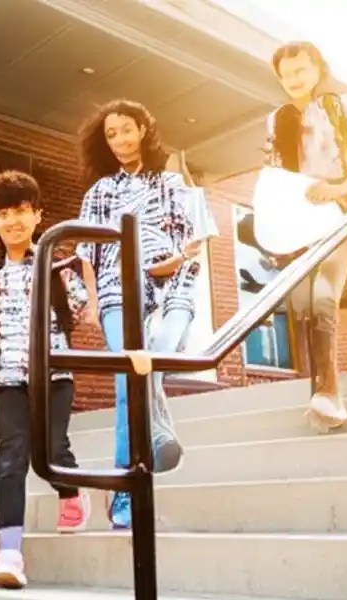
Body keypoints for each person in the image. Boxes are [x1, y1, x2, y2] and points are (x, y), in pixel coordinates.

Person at [76, 99, 216, 530]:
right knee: (126, 383)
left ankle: (158, 433)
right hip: (119, 289)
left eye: (126, 129)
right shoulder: (100, 191)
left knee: (155, 360)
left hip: (173, 282)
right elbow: (86, 251)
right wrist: (94, 303)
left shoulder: (173, 183)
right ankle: (125, 493)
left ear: (143, 129)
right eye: (111, 134)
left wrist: (173, 263)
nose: (119, 140)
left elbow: (198, 238)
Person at [0, 170, 89, 590]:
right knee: (10, 460)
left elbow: (80, 311)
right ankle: (9, 552)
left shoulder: (56, 265)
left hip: (54, 375)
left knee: (51, 451)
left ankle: (71, 492)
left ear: (38, 215)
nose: (12, 220)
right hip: (10, 379)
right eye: (4, 212)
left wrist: (77, 271)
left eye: (21, 210)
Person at [265, 41, 347, 431]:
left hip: (341, 210)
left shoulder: (341, 107)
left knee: (324, 295)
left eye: (301, 70)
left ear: (317, 69)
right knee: (302, 302)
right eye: (287, 73)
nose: (294, 79)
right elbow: (275, 176)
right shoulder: (275, 120)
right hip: (299, 218)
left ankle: (330, 392)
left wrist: (337, 189)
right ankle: (320, 394)